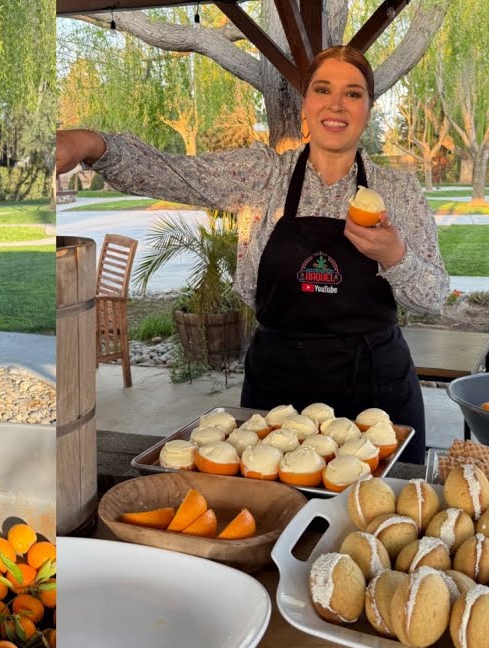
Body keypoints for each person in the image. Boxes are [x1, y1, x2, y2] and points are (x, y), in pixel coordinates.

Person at [58, 46, 447, 465]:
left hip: (376, 387)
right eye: (323, 89)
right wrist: (92, 145)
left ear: (368, 109)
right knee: (275, 513)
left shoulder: (400, 192)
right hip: (279, 386)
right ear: (306, 106)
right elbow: (171, 172)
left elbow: (434, 297)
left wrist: (396, 255)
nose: (336, 104)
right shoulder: (262, 176)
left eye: (353, 93)